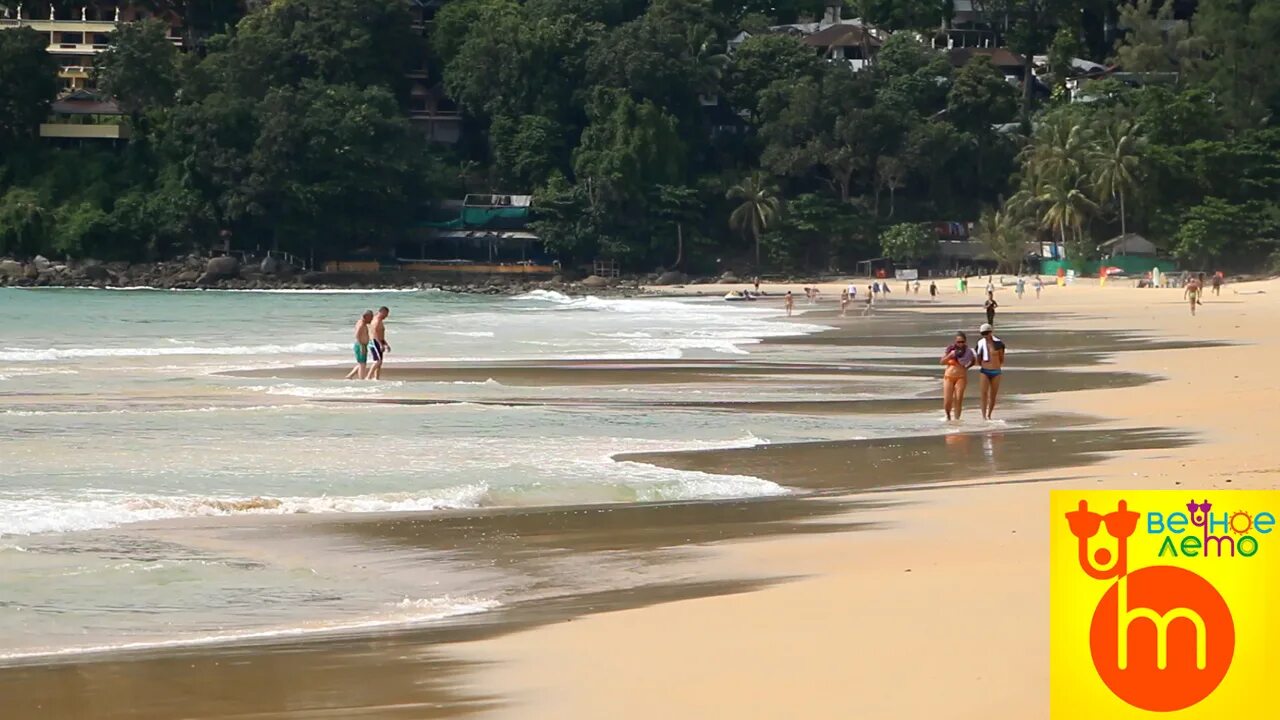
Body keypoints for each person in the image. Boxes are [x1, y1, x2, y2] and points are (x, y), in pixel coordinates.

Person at [941, 332, 976, 421]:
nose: (960, 344)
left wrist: (966, 367)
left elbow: (973, 361)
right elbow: (942, 361)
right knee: (947, 400)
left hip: (961, 377)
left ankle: (957, 419)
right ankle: (948, 416)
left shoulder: (968, 352)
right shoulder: (950, 349)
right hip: (949, 376)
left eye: (962, 342)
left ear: (965, 342)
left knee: (958, 398)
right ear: (955, 342)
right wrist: (950, 355)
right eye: (958, 342)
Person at [974, 323, 1006, 420]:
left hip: (996, 371)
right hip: (985, 370)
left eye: (986, 333)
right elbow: (978, 358)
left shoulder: (998, 343)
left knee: (993, 395)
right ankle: (984, 416)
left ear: (990, 332)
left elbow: (1001, 358)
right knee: (984, 394)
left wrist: (996, 365)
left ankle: (989, 415)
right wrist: (984, 365)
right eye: (983, 334)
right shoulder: (980, 343)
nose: (985, 336)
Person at [345, 310, 374, 380]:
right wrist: (361, 346)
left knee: (361, 363)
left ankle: (349, 376)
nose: (371, 319)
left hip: (362, 345)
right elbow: (357, 335)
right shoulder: (361, 324)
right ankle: (361, 379)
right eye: (371, 318)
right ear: (366, 317)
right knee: (362, 364)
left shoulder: (362, 323)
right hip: (360, 345)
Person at [368, 306, 391, 380]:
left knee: (379, 363)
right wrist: (380, 344)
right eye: (386, 314)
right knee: (378, 361)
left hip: (379, 341)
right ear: (382, 312)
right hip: (375, 342)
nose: (386, 316)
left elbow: (380, 334)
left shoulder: (380, 320)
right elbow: (374, 333)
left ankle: (376, 378)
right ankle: (368, 377)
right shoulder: (376, 321)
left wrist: (386, 344)